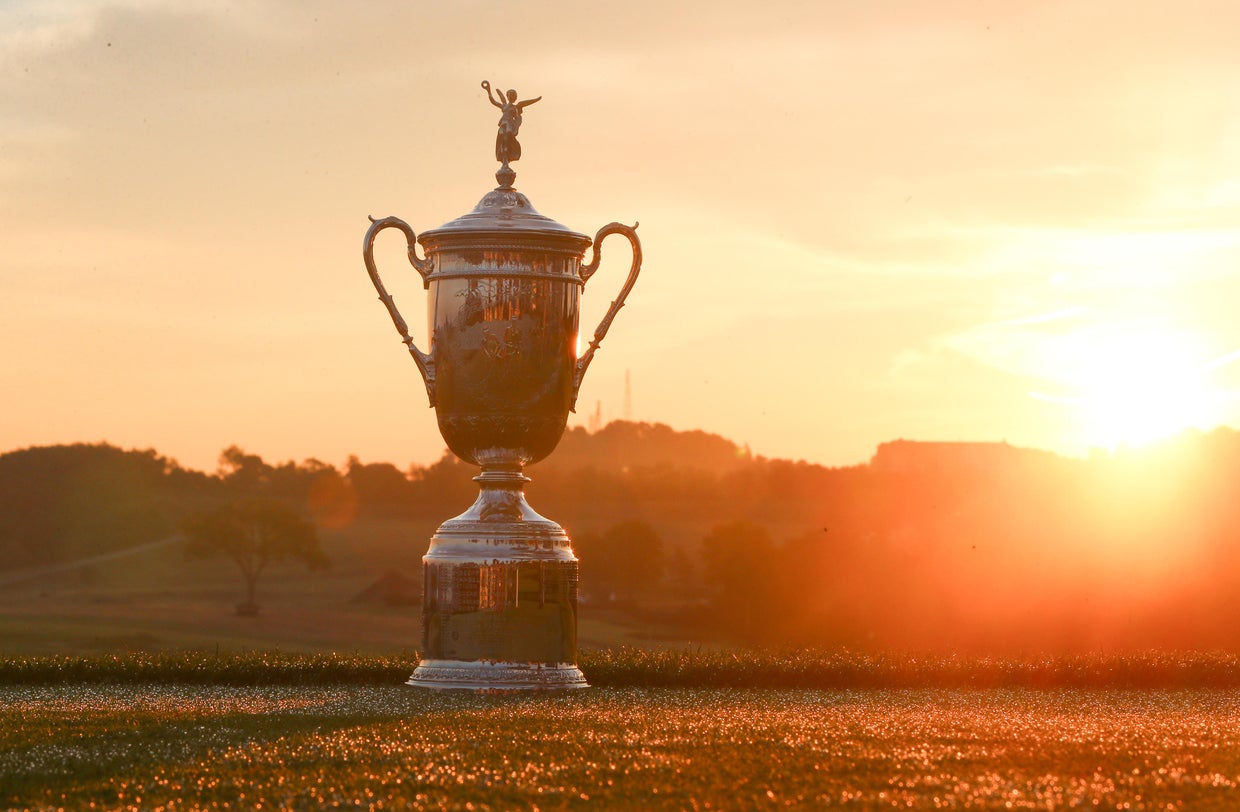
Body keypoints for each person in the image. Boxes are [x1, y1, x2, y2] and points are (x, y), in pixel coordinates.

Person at [482, 80, 541, 165]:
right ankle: (503, 152)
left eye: (513, 95)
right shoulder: (504, 105)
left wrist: (536, 99)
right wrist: (488, 91)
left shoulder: (516, 107)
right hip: (503, 123)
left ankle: (508, 150)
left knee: (508, 134)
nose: (512, 96)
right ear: (507, 96)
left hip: (510, 124)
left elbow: (523, 106)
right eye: (510, 94)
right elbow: (493, 101)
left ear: (515, 97)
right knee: (502, 134)